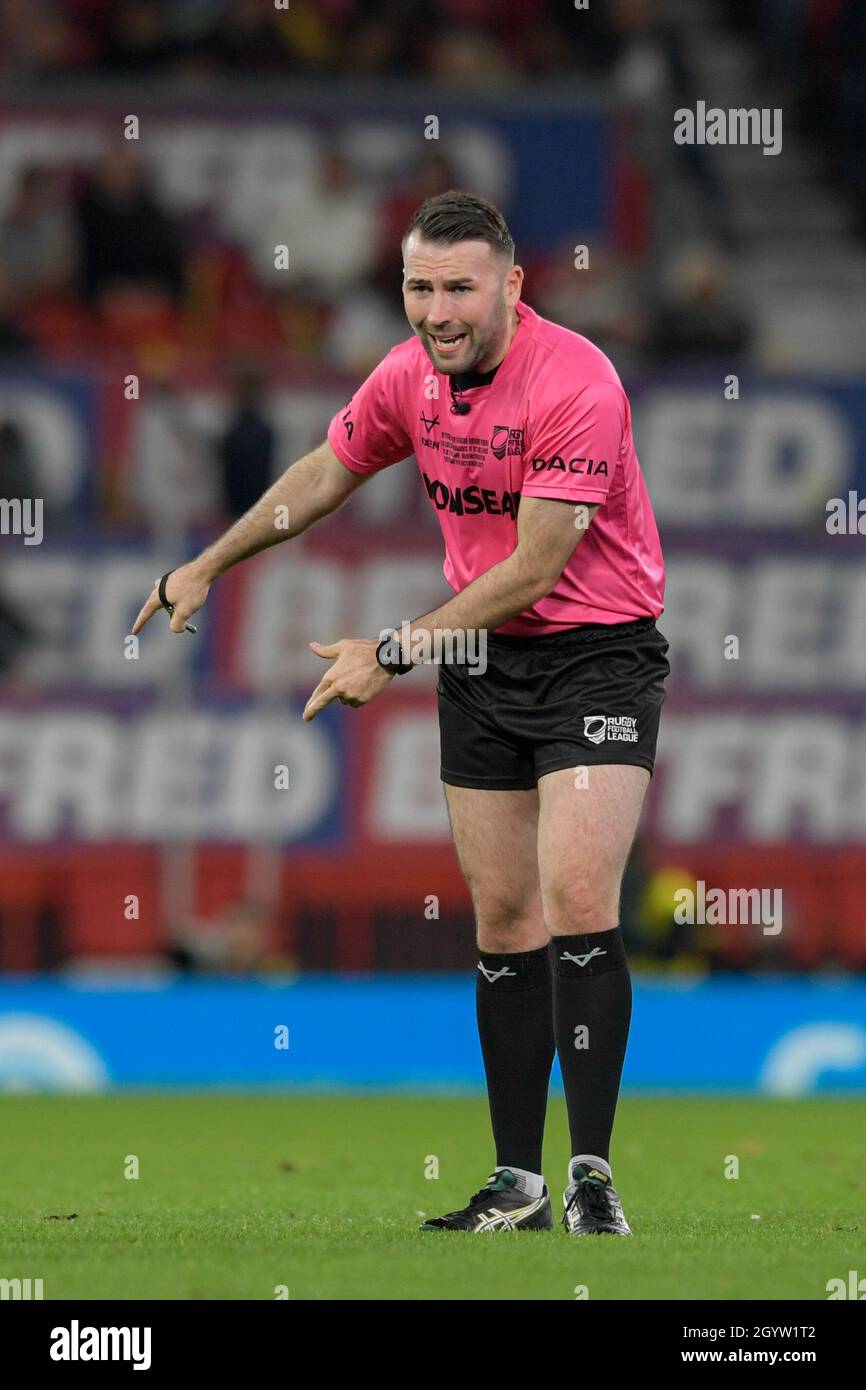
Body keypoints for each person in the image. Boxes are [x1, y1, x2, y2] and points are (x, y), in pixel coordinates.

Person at [133, 190, 669, 1236]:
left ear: (511, 285)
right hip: (479, 661)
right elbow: (325, 474)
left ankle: (591, 1174)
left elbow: (537, 565)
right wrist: (207, 561)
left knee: (573, 893)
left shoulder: (577, 382)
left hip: (594, 652)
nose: (435, 309)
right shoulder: (405, 376)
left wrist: (392, 648)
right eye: (418, 287)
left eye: (458, 287)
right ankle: (517, 1184)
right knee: (504, 918)